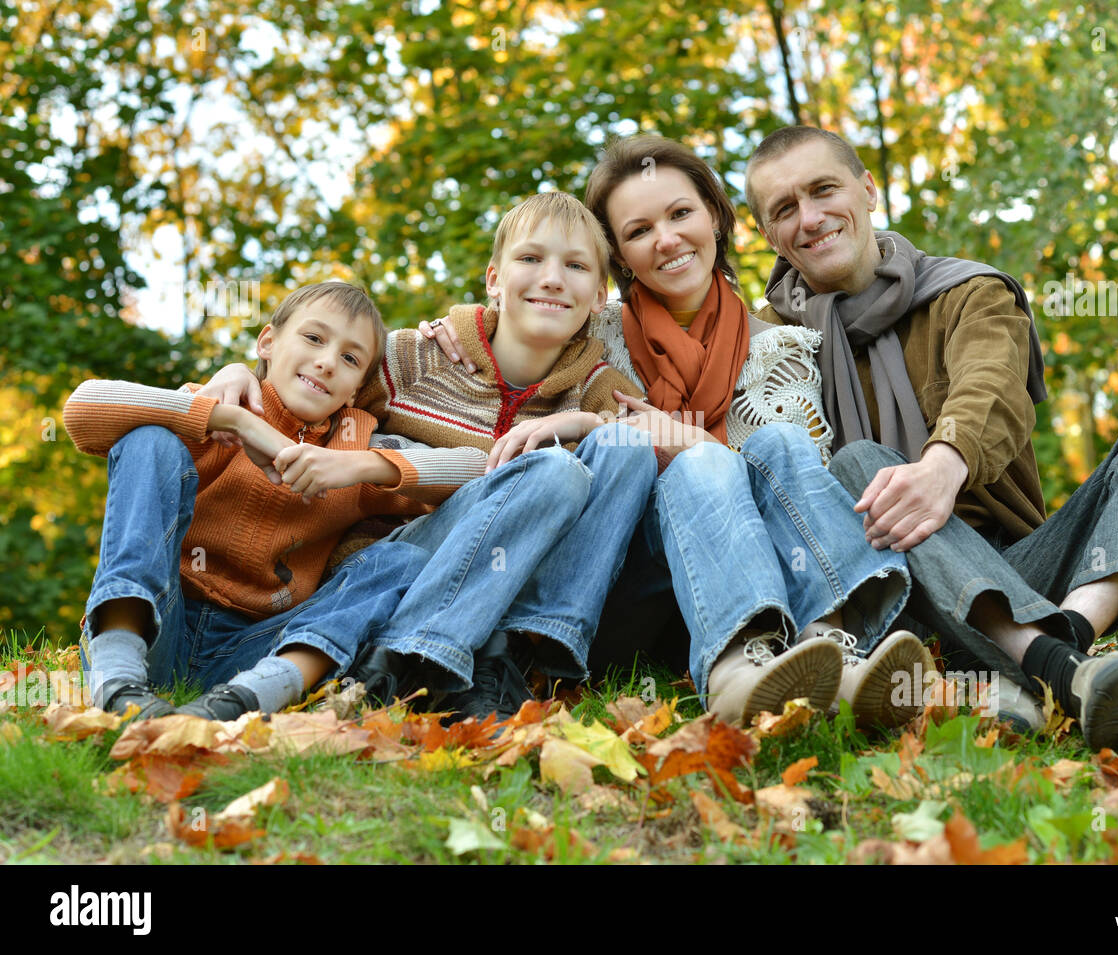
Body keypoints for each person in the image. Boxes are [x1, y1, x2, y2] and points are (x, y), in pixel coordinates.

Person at [744, 125, 1118, 750]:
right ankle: (1056, 667)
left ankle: (1056, 648)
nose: (809, 218)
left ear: (867, 190)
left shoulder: (969, 291)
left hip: (1019, 567)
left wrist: (944, 465)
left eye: (823, 190)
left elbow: (992, 387)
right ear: (767, 234)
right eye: (785, 208)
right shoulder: (769, 346)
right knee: (861, 462)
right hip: (888, 604)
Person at [422, 137, 918, 730]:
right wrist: (447, 328)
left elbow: (792, 502)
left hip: (754, 575)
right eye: (638, 230)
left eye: (681, 214)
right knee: (701, 465)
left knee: (780, 445)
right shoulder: (585, 331)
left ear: (714, 215)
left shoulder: (781, 347)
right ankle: (735, 667)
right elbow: (503, 325)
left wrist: (693, 444)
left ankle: (832, 648)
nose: (667, 239)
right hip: (618, 585)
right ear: (619, 258)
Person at [195, 192, 659, 721]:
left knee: (623, 449)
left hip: (509, 591)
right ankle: (396, 659)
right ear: (493, 280)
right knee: (551, 469)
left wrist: (580, 423)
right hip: (395, 572)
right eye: (530, 259)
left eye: (575, 266)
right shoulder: (413, 357)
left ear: (600, 297)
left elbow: (642, 466)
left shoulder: (603, 389)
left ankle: (517, 655)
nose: (552, 278)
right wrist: (239, 373)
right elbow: (309, 383)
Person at [65, 282, 462, 719]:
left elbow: (480, 471)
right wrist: (235, 419)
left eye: (350, 359)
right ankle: (117, 682)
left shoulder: (355, 448)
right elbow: (84, 405)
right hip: (158, 623)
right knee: (150, 441)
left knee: (399, 562)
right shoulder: (214, 409)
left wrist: (365, 466)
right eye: (314, 338)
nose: (327, 362)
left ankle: (245, 700)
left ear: (355, 390)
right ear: (268, 342)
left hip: (258, 648)